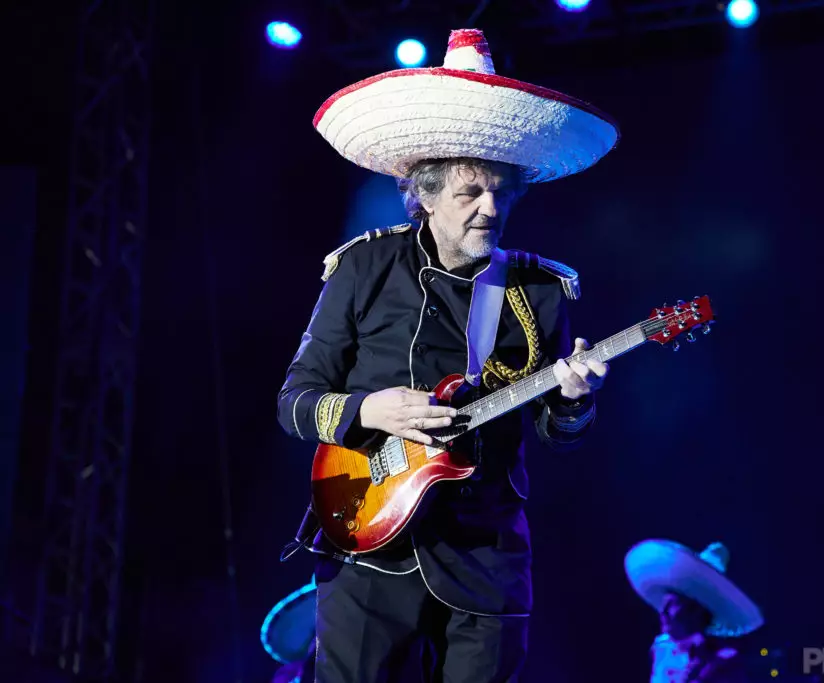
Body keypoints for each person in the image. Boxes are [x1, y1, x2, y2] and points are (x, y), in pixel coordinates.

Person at [275, 28, 619, 683]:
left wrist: (574, 399)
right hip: (366, 544)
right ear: (424, 192)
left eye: (501, 190)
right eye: (470, 192)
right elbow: (294, 402)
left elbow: (557, 433)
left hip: (486, 559)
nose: (491, 208)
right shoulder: (365, 267)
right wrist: (369, 407)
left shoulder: (538, 290)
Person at [625, 540, 765, 683]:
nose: (663, 612)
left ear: (696, 611)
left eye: (673, 604)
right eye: (664, 604)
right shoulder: (662, 651)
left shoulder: (724, 664)